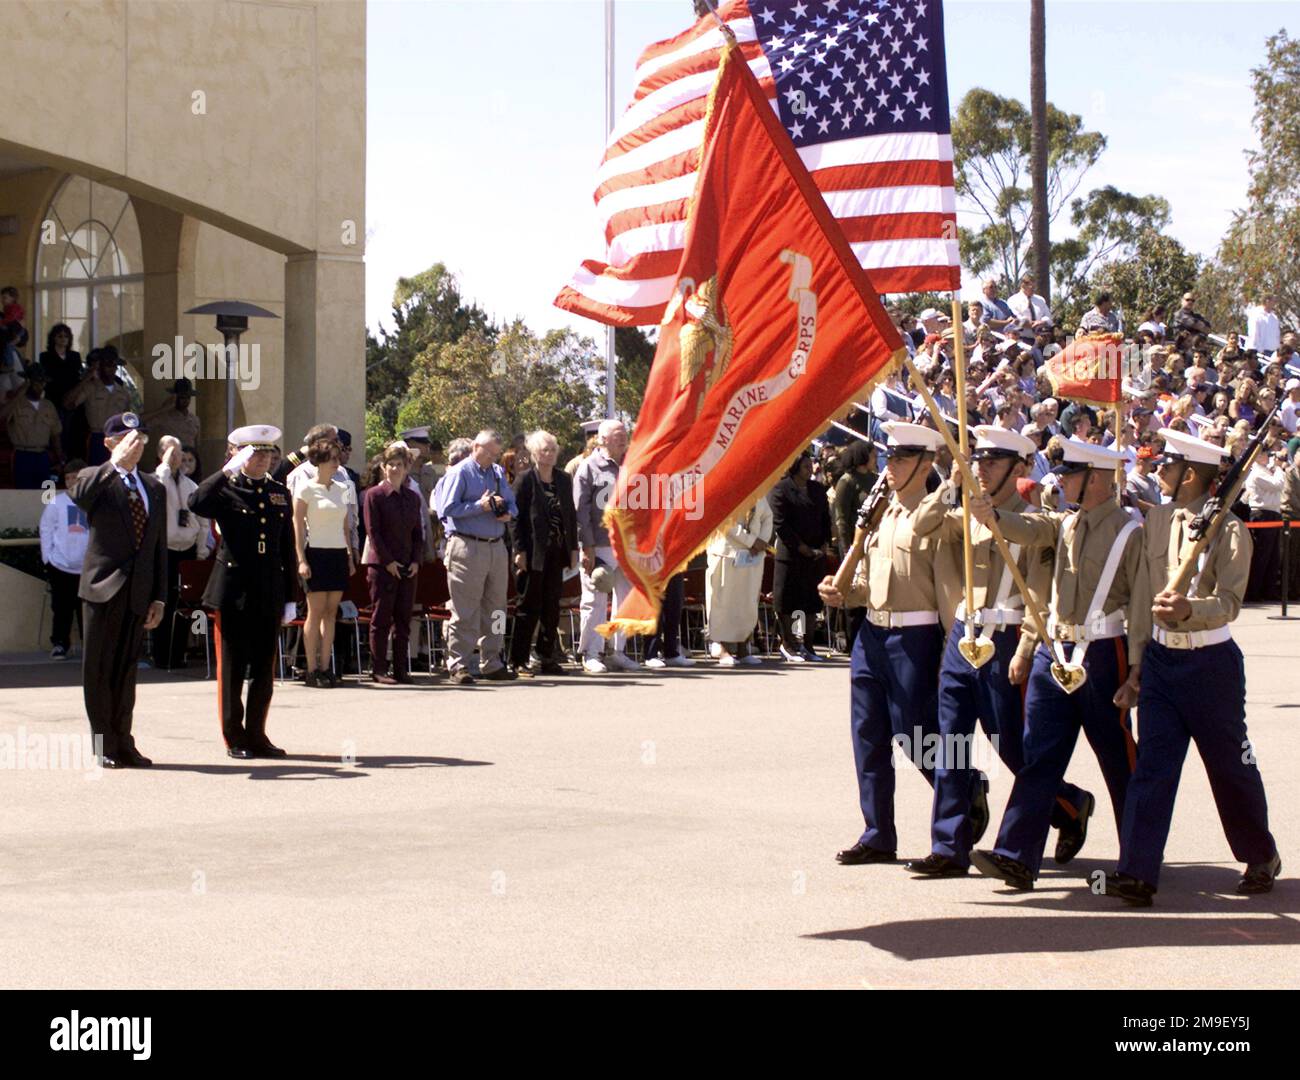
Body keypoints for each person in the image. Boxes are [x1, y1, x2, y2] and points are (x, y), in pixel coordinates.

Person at [1098, 428, 1280, 906]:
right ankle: (1137, 871)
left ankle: (1260, 855)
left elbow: (1230, 602)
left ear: (1191, 475)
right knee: (1153, 769)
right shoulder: (1156, 522)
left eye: (1168, 465)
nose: (1159, 470)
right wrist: (1136, 665)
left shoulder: (1231, 530)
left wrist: (1188, 610)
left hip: (1210, 664)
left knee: (1229, 767)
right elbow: (1142, 596)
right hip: (1161, 661)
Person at [905, 426, 1095, 878]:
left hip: (1006, 640)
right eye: (979, 462)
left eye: (992, 462)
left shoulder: (1037, 521)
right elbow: (920, 527)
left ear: (1021, 468)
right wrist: (950, 484)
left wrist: (1027, 647)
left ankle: (1068, 804)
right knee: (949, 743)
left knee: (1012, 745)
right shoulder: (966, 512)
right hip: (963, 637)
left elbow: (1039, 589)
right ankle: (949, 845)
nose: (981, 470)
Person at [966, 437, 1150, 890]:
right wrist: (992, 518)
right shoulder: (1065, 524)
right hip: (1056, 651)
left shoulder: (1130, 532)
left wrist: (1138, 673)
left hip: (1106, 652)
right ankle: (1016, 855)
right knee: (1038, 757)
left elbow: (1142, 606)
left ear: (1098, 479)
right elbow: (1030, 533)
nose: (1062, 481)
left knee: (1120, 760)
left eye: (1071, 475)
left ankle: (1138, 863)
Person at [817, 422, 968, 866]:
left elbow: (948, 593)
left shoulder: (937, 519)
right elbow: (869, 581)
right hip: (872, 634)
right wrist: (845, 590)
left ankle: (961, 799)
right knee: (869, 736)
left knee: (919, 736)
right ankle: (878, 832)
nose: (890, 467)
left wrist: (950, 651)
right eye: (889, 458)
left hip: (916, 636)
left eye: (900, 459)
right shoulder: (880, 515)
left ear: (925, 465)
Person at [189, 425, 298, 758]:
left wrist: (291, 595)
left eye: (268, 453)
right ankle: (234, 736)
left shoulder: (279, 492)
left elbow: (286, 548)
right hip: (233, 590)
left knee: (264, 670)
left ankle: (257, 734)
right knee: (232, 669)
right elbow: (196, 501)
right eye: (256, 453)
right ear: (237, 454)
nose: (264, 459)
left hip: (268, 590)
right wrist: (226, 472)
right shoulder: (225, 489)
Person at [71, 413, 168, 768]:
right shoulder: (94, 478)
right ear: (109, 442)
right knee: (98, 669)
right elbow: (81, 495)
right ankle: (104, 745)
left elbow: (158, 545)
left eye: (140, 437)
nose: (136, 443)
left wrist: (159, 595)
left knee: (126, 670)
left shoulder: (153, 486)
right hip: (103, 587)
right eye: (127, 437)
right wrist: (114, 464)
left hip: (138, 591)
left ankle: (124, 741)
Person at [433, 429, 518, 684]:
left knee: (497, 609)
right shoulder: (460, 472)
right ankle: (458, 663)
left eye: (496, 453)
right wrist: (478, 507)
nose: (493, 457)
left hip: (496, 546)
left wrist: (507, 513)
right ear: (475, 448)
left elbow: (512, 504)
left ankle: (493, 660)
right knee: (465, 609)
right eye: (489, 452)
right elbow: (446, 509)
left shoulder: (497, 473)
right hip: (467, 545)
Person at [509, 429, 578, 677]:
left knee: (551, 607)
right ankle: (518, 660)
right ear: (535, 454)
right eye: (544, 450)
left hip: (557, 552)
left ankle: (547, 657)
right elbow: (515, 519)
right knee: (528, 606)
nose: (549, 454)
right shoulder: (526, 480)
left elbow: (569, 515)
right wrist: (519, 551)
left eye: (552, 450)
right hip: (533, 553)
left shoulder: (563, 479)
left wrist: (573, 549)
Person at [573, 419, 639, 674]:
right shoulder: (588, 467)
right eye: (617, 435)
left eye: (624, 434)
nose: (623, 439)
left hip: (628, 545)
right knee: (595, 600)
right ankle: (591, 653)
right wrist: (586, 546)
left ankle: (617, 651)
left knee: (625, 599)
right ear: (602, 439)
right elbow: (581, 510)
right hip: (599, 545)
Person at [292, 434, 357, 687]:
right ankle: (311, 669)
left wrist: (350, 556)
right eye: (331, 459)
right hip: (315, 553)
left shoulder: (343, 488)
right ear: (318, 461)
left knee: (332, 613)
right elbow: (297, 525)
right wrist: (301, 559)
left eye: (337, 458)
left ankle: (326, 667)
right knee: (315, 612)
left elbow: (345, 525)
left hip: (337, 554)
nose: (336, 463)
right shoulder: (306, 488)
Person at [362, 442, 424, 684]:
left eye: (400, 465)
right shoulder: (374, 495)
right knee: (381, 618)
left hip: (409, 566)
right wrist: (388, 562)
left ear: (407, 468)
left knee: (403, 619)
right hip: (382, 567)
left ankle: (400, 669)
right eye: (391, 465)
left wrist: (416, 561)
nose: (396, 469)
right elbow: (373, 532)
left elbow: (418, 534)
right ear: (383, 467)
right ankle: (378, 669)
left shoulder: (412, 497)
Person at [152, 435, 210, 669]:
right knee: (162, 603)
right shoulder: (157, 478)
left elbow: (202, 520)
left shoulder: (190, 485)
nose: (177, 458)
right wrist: (165, 465)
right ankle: (161, 655)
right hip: (164, 550)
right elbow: (159, 484)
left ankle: (178, 654)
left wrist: (201, 550)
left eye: (179, 454)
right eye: (172, 453)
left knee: (184, 603)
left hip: (186, 550)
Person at [769, 451, 832, 662]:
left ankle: (808, 645)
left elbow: (825, 517)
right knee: (789, 602)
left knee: (810, 603)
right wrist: (800, 547)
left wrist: (824, 542)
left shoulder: (816, 489)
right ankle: (789, 643)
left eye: (811, 466)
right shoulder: (781, 489)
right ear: (795, 467)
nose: (810, 469)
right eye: (806, 466)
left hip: (815, 555)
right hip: (791, 555)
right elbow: (780, 523)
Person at [706, 496, 773, 666]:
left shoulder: (758, 491)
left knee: (746, 602)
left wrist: (762, 542)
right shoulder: (727, 487)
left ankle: (744, 647)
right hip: (727, 551)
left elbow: (767, 517)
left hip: (752, 555)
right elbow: (726, 520)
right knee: (723, 602)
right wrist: (751, 541)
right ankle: (720, 646)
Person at [39, 459, 90, 659]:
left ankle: (91, 645)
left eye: (75, 477)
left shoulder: (94, 501)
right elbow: (46, 530)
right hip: (60, 565)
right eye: (68, 478)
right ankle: (60, 643)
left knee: (86, 610)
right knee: (61, 608)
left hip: (87, 566)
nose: (71, 481)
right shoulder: (56, 502)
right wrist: (47, 558)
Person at [64, 347, 131, 465]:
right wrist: (87, 377)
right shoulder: (90, 388)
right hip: (97, 437)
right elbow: (68, 404)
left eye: (114, 365)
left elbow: (126, 420)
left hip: (117, 439)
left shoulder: (123, 392)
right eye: (107, 365)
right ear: (99, 367)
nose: (111, 369)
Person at [1, 363, 63, 488]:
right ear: (28, 383)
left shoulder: (48, 405)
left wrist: (60, 458)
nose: (40, 386)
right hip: (22, 455)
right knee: (23, 495)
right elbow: (2, 417)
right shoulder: (16, 404)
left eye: (42, 383)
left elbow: (55, 434)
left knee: (45, 495)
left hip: (43, 456)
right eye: (36, 383)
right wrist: (20, 392)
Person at [1244, 446, 1285, 602]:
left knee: (1272, 556)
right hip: (1262, 513)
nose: (1268, 456)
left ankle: (1267, 590)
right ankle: (1254, 591)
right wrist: (1279, 468)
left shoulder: (1266, 471)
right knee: (1261, 555)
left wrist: (1276, 468)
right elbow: (1277, 485)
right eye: (1264, 454)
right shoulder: (1256, 473)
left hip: (1273, 513)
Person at [142, 379, 201, 468]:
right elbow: (140, 421)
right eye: (181, 397)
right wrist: (162, 409)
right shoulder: (164, 417)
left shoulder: (194, 420)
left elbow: (197, 444)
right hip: (169, 462)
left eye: (187, 397)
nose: (185, 400)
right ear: (175, 397)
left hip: (188, 463)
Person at [1006, 274, 1052, 342]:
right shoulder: (1013, 300)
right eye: (1031, 286)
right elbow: (1017, 319)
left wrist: (1042, 322)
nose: (1033, 288)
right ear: (1023, 285)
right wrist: (1033, 324)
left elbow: (1048, 317)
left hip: (1040, 340)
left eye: (1034, 286)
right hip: (1021, 339)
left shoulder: (1040, 300)